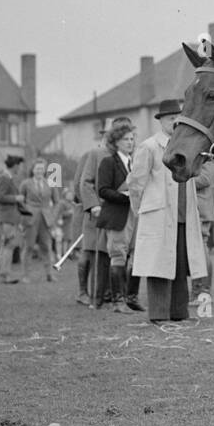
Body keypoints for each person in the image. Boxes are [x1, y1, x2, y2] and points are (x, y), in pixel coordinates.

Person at [127, 99, 205, 322]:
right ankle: (159, 314)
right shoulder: (149, 146)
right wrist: (141, 211)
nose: (175, 122)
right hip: (158, 214)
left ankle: (179, 313)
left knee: (180, 264)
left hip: (183, 213)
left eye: (178, 118)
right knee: (158, 265)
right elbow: (136, 184)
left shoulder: (187, 145)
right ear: (161, 121)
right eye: (171, 118)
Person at [72, 117, 133, 307]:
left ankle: (114, 294)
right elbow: (83, 183)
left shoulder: (129, 156)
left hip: (121, 212)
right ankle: (89, 294)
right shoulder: (94, 154)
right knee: (93, 253)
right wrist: (92, 205)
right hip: (98, 212)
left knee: (117, 253)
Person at [93, 125, 136, 311]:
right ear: (116, 142)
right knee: (118, 255)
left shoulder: (135, 163)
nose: (130, 142)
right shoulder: (108, 162)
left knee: (134, 256)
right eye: (126, 139)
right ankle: (118, 301)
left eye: (132, 138)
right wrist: (125, 197)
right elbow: (103, 190)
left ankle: (130, 298)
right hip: (117, 215)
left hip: (135, 215)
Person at [19, 157, 59, 282]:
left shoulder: (51, 183)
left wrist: (53, 216)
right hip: (30, 218)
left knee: (47, 247)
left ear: (45, 170)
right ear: (32, 169)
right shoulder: (25, 183)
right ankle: (26, 275)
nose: (39, 171)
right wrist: (24, 215)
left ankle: (50, 274)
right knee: (28, 246)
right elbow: (20, 201)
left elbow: (57, 202)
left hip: (45, 219)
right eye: (37, 169)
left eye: (41, 169)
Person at [190, 156, 214, 308]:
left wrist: (180, 181)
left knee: (201, 248)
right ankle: (197, 291)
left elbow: (205, 179)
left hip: (201, 209)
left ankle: (203, 291)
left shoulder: (207, 158)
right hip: (198, 208)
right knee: (198, 250)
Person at [0, 155, 26, 283]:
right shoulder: (4, 178)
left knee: (7, 245)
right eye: (20, 166)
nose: (20, 169)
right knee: (8, 245)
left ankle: (5, 274)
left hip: (9, 218)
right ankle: (6, 275)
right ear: (15, 165)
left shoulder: (8, 178)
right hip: (7, 218)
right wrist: (15, 198)